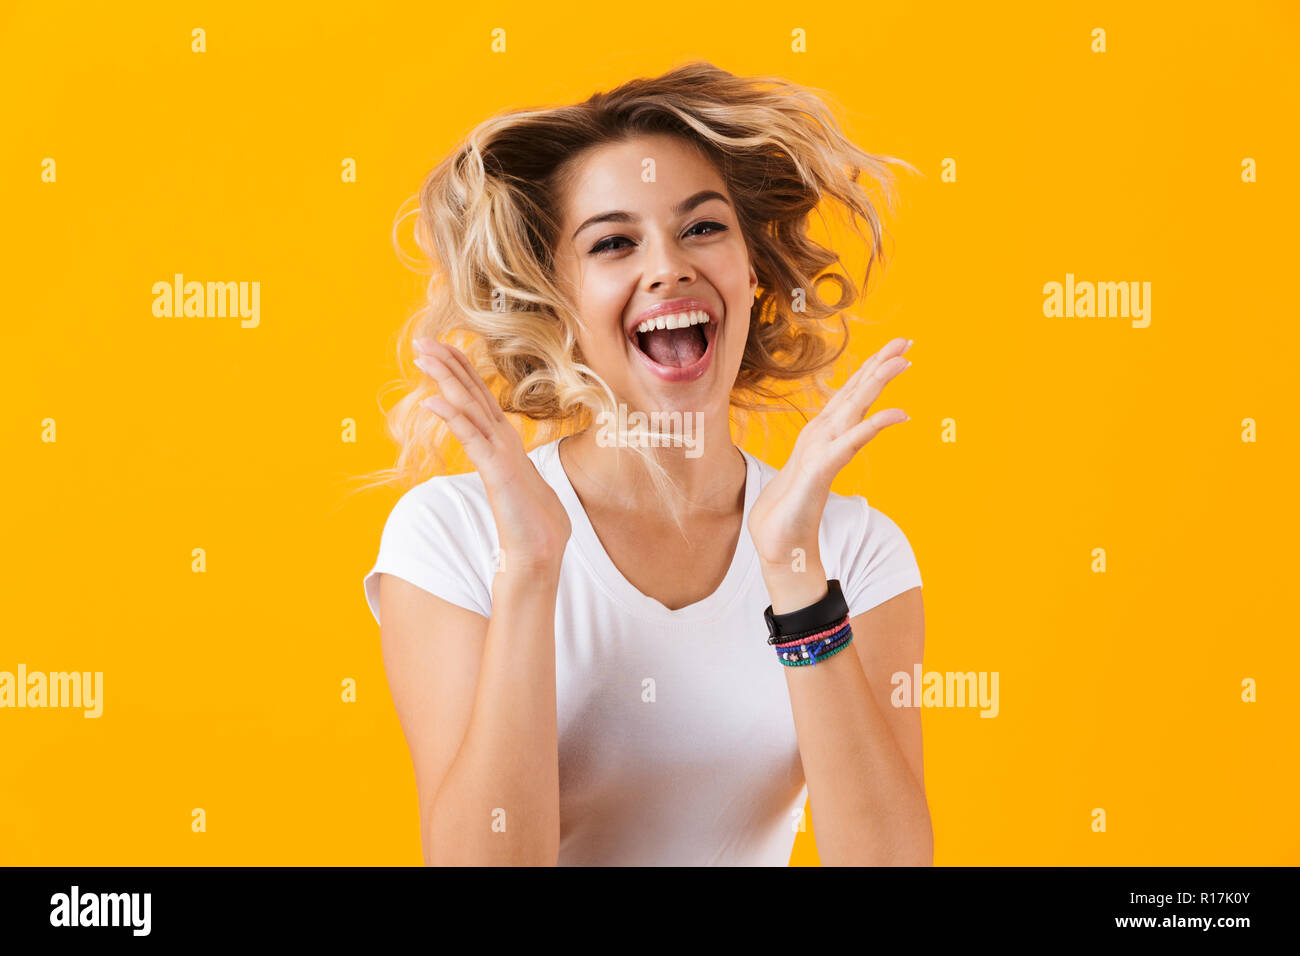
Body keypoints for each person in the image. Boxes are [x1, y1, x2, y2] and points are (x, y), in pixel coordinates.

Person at [361, 61, 931, 866]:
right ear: (557, 296)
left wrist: (796, 578)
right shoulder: (451, 534)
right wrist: (529, 567)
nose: (668, 266)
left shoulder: (854, 550)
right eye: (614, 242)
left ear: (751, 271)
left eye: (702, 227)